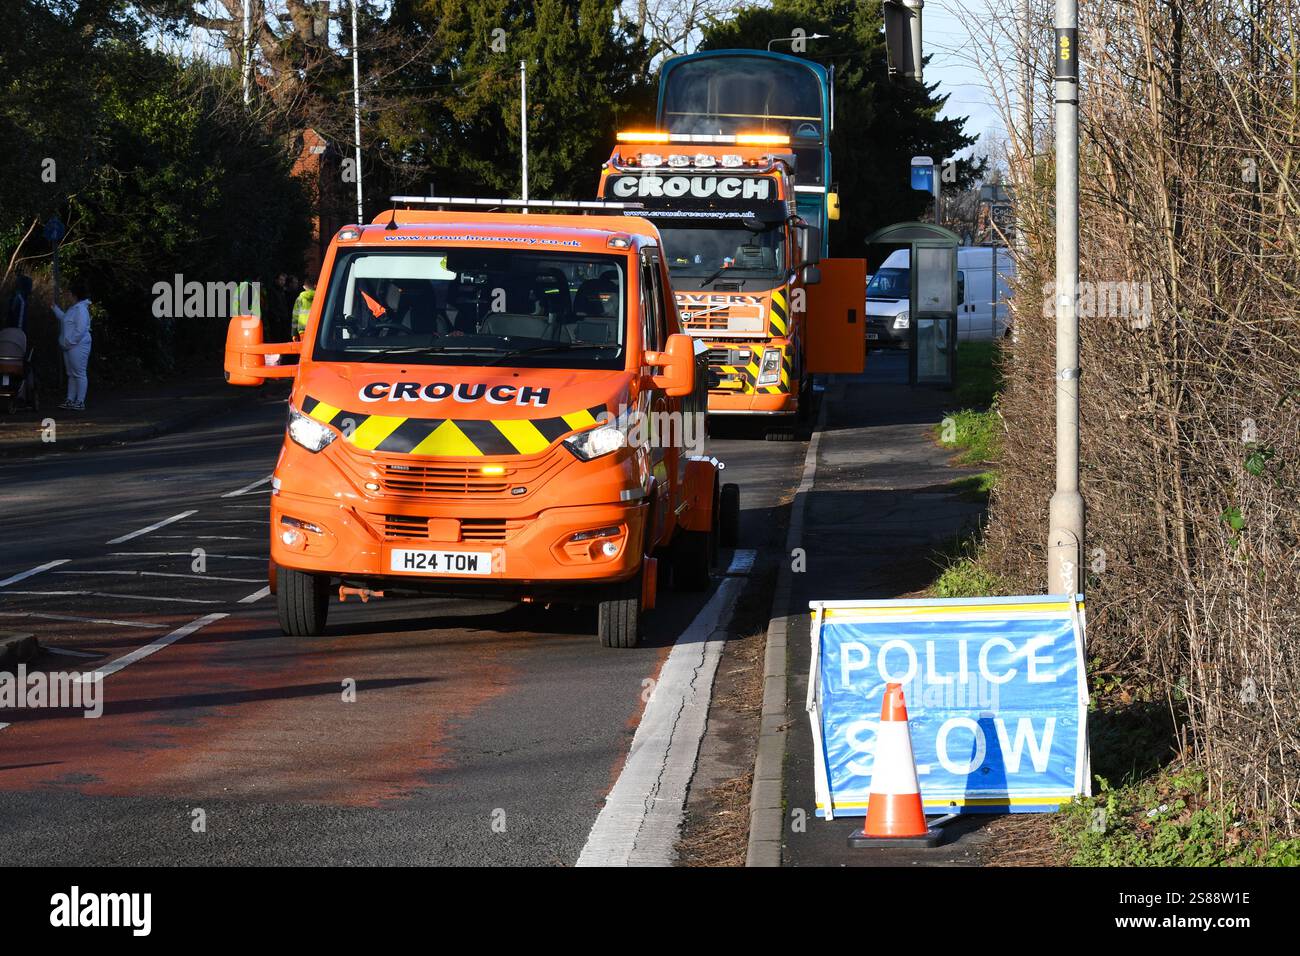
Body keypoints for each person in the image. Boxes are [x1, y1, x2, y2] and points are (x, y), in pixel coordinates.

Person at [53, 278, 92, 411]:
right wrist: (54, 309)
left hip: (77, 345)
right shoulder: (74, 309)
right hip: (69, 346)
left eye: (69, 293)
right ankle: (70, 399)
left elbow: (80, 330)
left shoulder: (80, 309)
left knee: (79, 373)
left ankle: (80, 401)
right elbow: (66, 320)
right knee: (71, 373)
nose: (67, 295)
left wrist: (69, 342)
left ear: (74, 295)